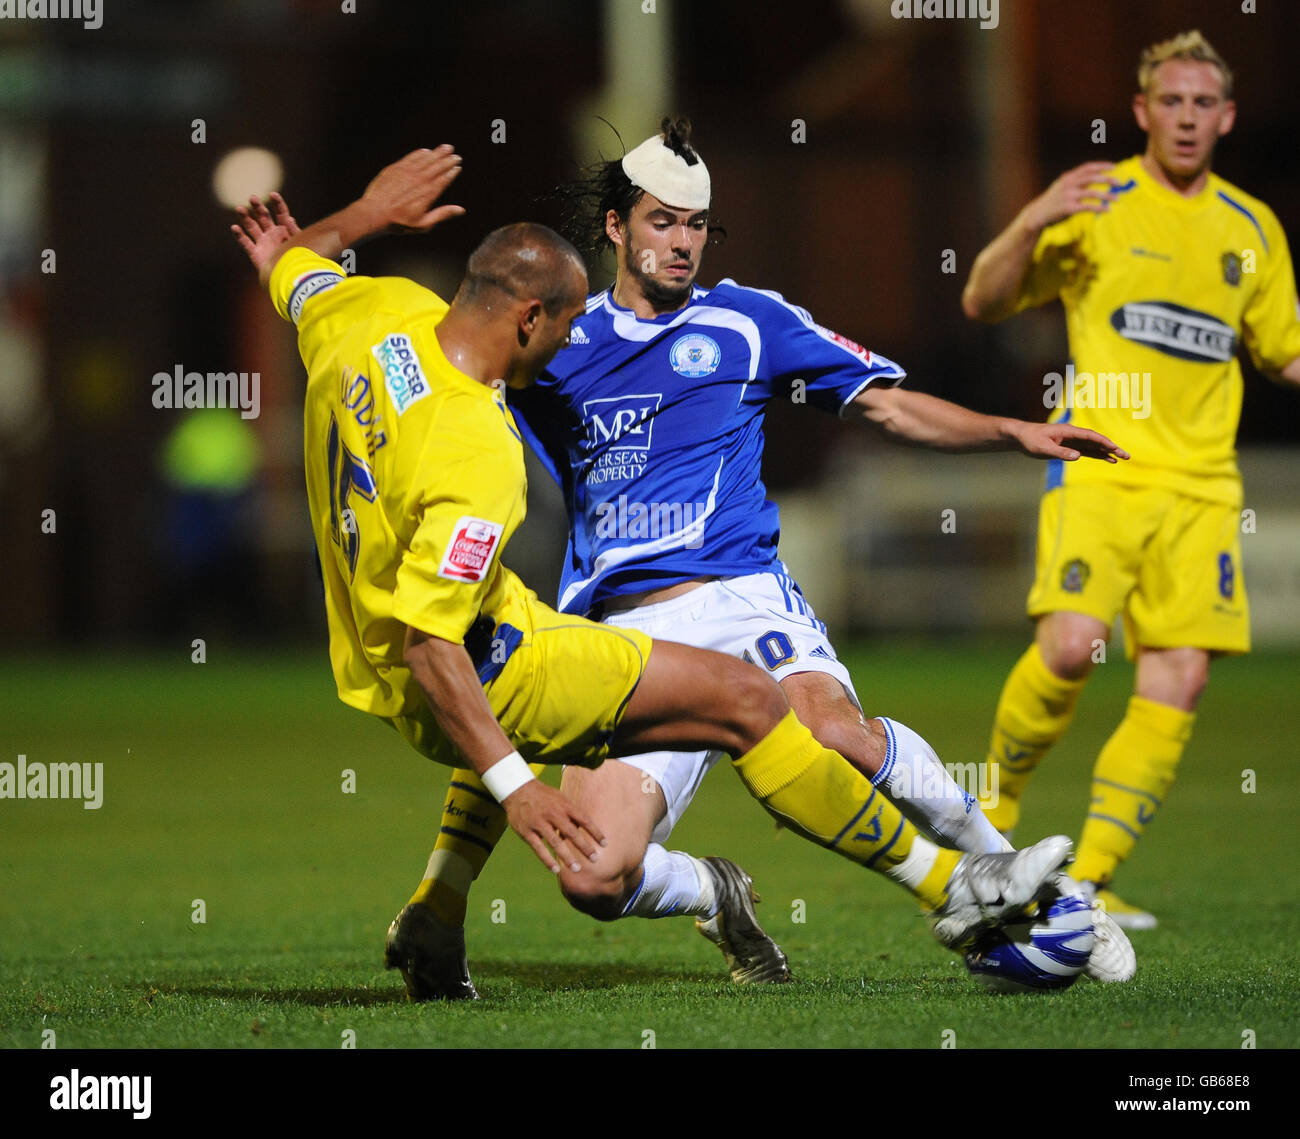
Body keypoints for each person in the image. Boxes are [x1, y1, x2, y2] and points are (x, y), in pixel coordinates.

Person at [232, 147, 1078, 1000]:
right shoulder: (478, 451)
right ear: (536, 311)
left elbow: (287, 260)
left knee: (796, 730)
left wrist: (368, 213)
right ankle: (899, 890)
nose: (568, 347)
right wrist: (521, 791)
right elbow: (433, 641)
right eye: (661, 220)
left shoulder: (375, 314)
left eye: (696, 223)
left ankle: (983, 864)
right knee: (711, 735)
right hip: (497, 651)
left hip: (434, 654)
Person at [962, 30, 1300, 928]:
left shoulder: (1252, 229)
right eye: (1171, 103)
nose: (1187, 119)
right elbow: (984, 299)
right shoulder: (1097, 201)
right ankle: (988, 824)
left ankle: (1092, 878)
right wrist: (1034, 215)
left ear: (1225, 117)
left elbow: (1286, 353)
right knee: (1071, 647)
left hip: (1202, 491)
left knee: (1178, 679)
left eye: (1204, 105)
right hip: (1101, 470)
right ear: (1144, 111)